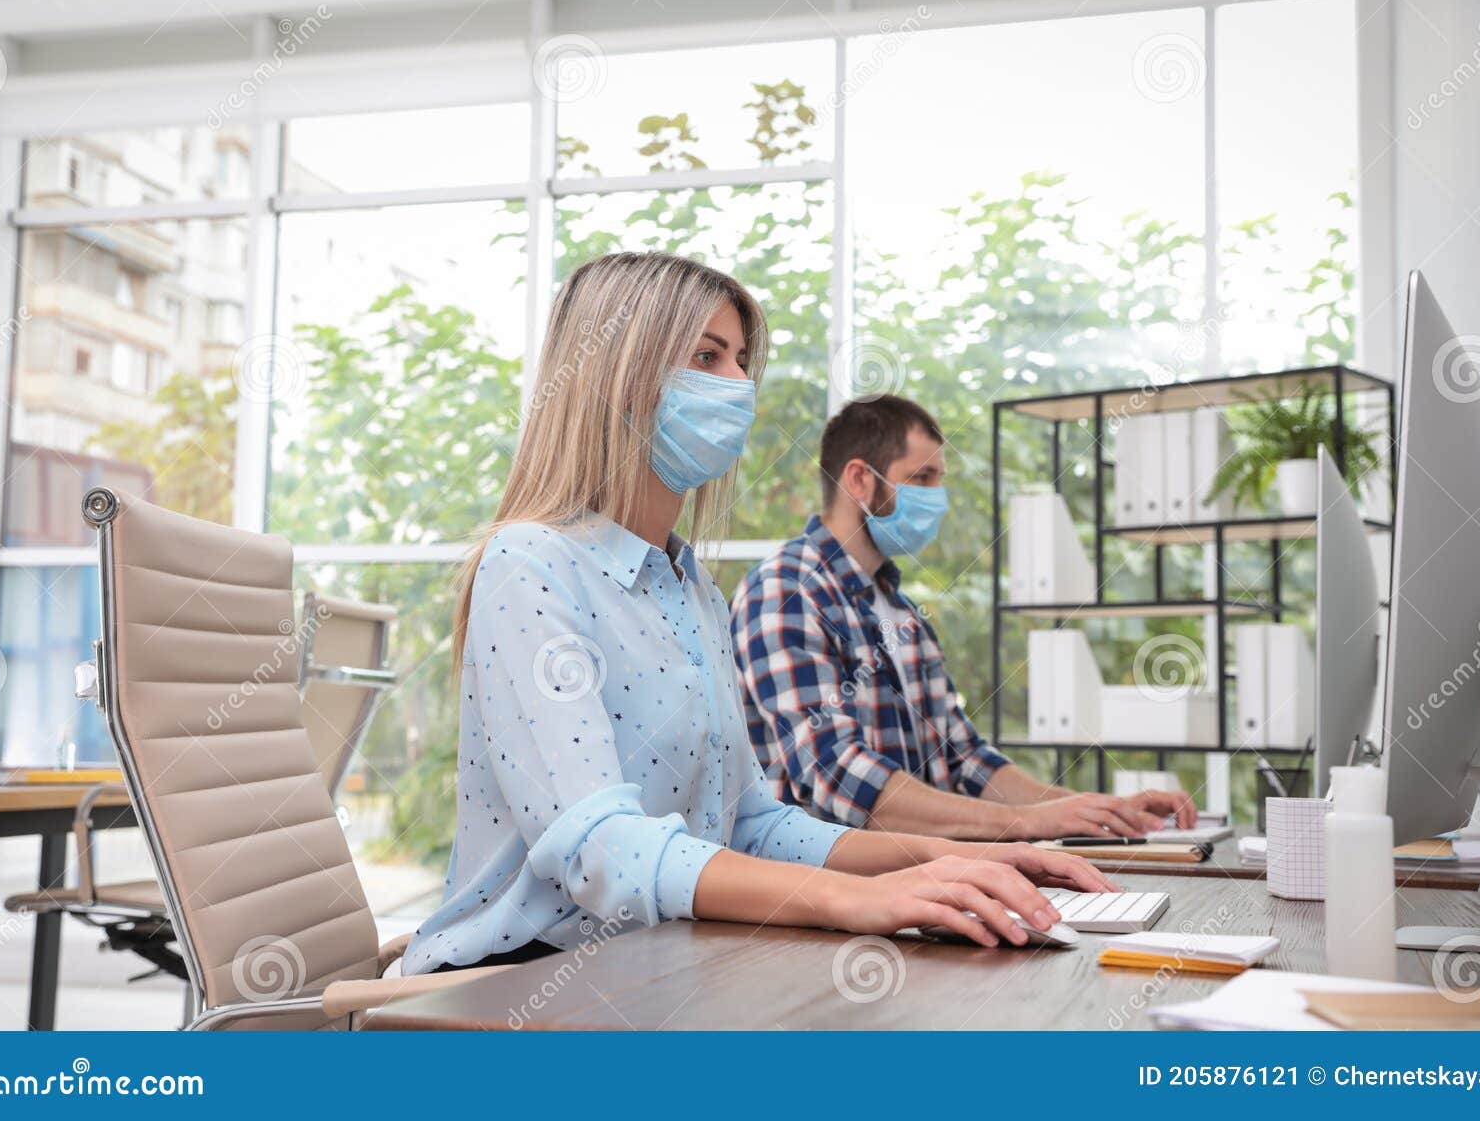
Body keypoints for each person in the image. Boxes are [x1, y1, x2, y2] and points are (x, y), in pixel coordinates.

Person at [404, 254, 1116, 975]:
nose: (740, 385)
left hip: (653, 964)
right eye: (707, 357)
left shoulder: (693, 590)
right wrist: (859, 898)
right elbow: (602, 850)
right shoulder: (530, 563)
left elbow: (752, 824)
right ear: (618, 377)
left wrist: (953, 858)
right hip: (517, 979)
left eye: (742, 361)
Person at [730, 394, 1199, 842]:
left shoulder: (901, 612)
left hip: (920, 877)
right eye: (922, 478)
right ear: (859, 479)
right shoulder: (785, 591)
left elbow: (965, 759)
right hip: (824, 887)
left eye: (939, 479)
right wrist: (1026, 823)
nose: (938, 498)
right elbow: (838, 776)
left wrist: (1099, 811)